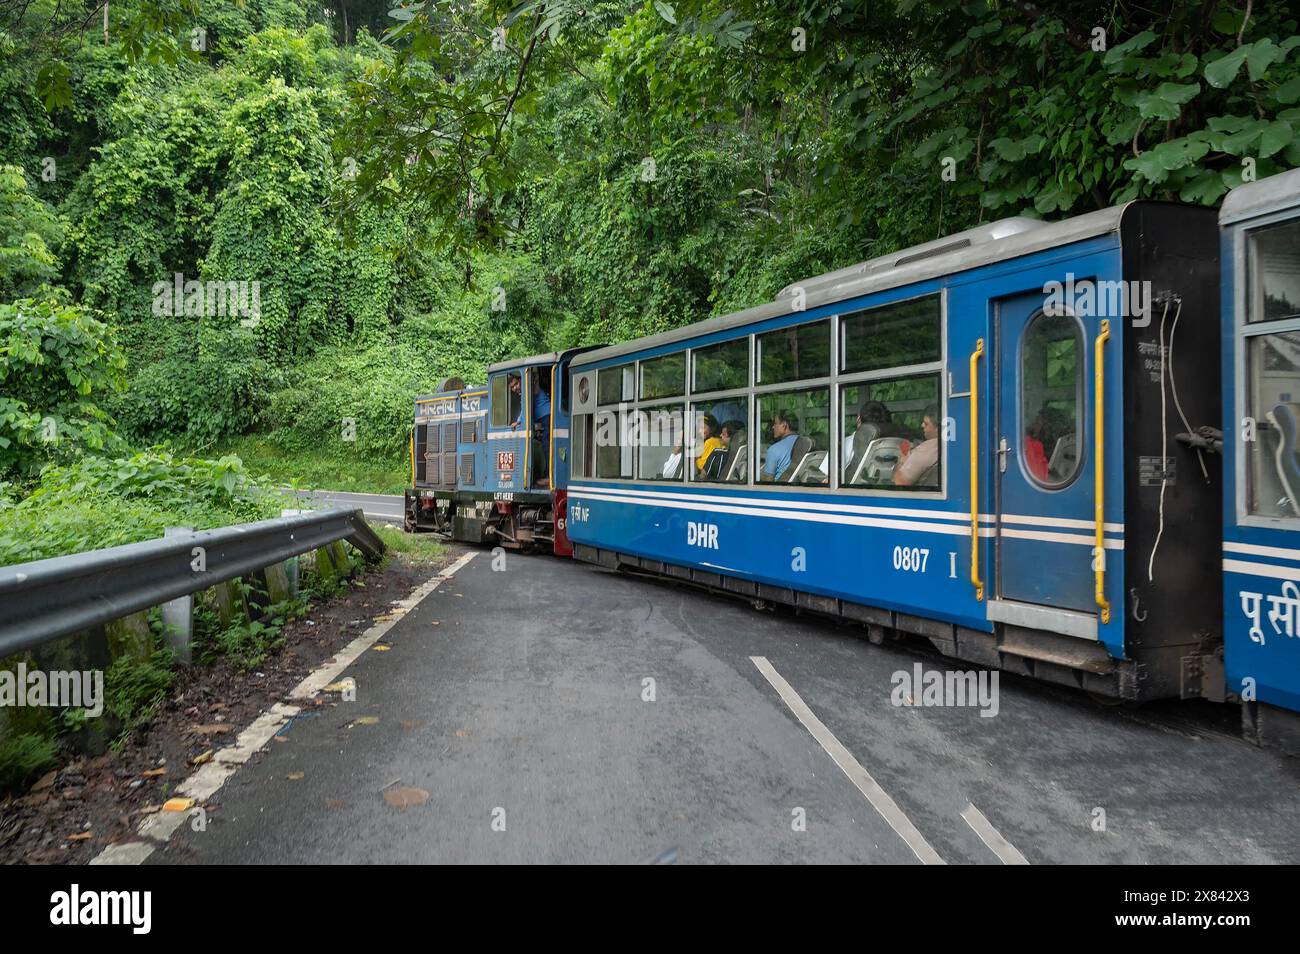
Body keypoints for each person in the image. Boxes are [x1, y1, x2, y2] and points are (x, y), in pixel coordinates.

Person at [893, 404, 940, 487]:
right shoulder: (949, 446)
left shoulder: (927, 449)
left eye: (926, 424)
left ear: (938, 428)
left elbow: (900, 483)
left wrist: (903, 458)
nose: (922, 425)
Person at [760, 409, 800, 482]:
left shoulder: (774, 449)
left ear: (784, 425)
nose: (773, 427)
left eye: (775, 423)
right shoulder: (801, 442)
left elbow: (768, 481)